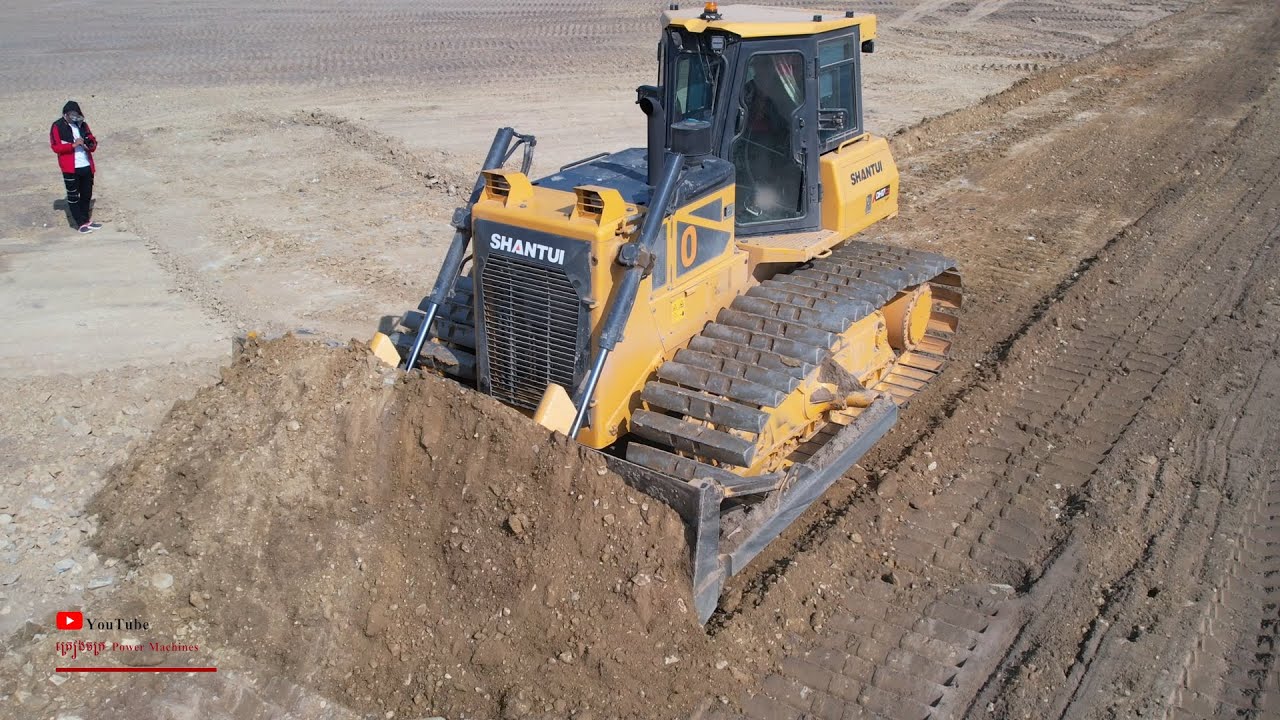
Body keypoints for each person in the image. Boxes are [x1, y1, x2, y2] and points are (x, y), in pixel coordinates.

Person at [50, 101, 100, 234]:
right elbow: (55, 147)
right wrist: (73, 145)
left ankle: (86, 221)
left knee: (86, 194)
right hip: (70, 168)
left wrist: (88, 145)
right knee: (73, 196)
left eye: (76, 114)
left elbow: (92, 142)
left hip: (86, 165)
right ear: (65, 114)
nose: (73, 117)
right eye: (71, 114)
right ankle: (79, 224)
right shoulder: (57, 126)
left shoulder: (82, 125)